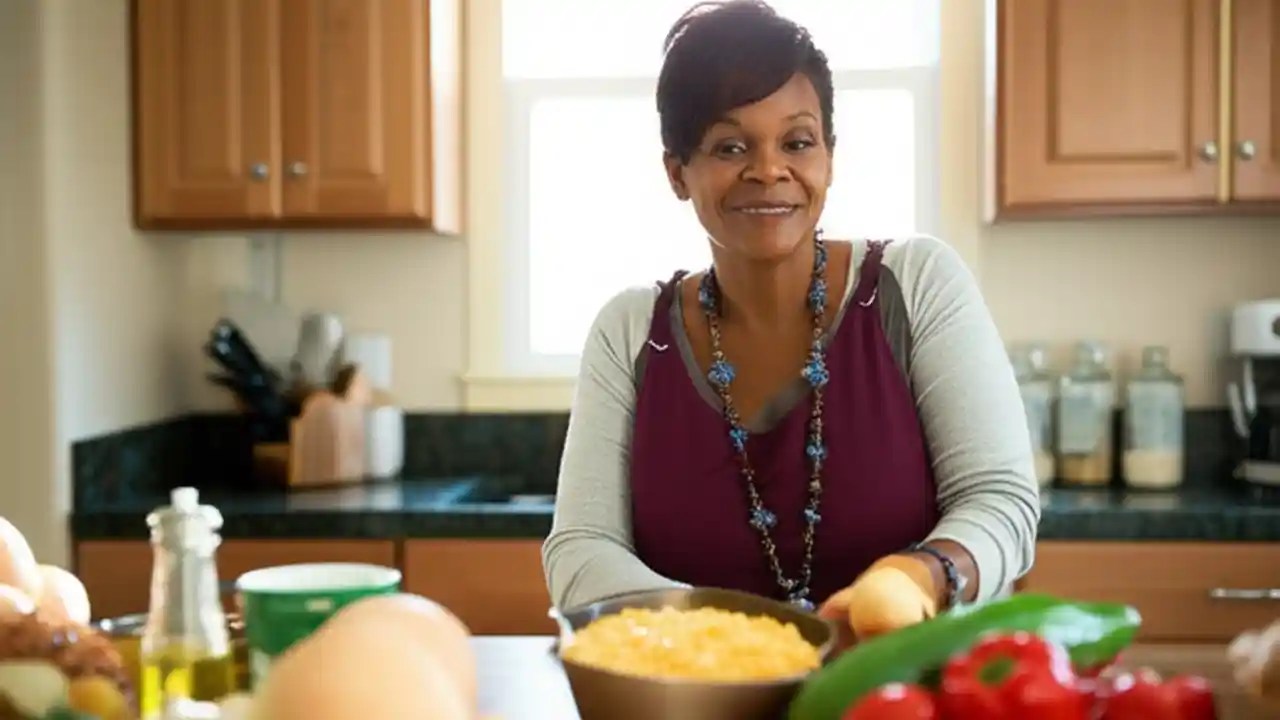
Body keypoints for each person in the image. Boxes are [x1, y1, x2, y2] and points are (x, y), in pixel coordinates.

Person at [542, 0, 1040, 641]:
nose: (769, 169)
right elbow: (579, 551)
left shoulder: (916, 286)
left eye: (797, 141)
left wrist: (923, 575)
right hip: (699, 696)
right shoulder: (630, 330)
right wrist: (748, 642)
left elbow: (1001, 502)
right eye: (730, 146)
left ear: (828, 157)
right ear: (677, 173)